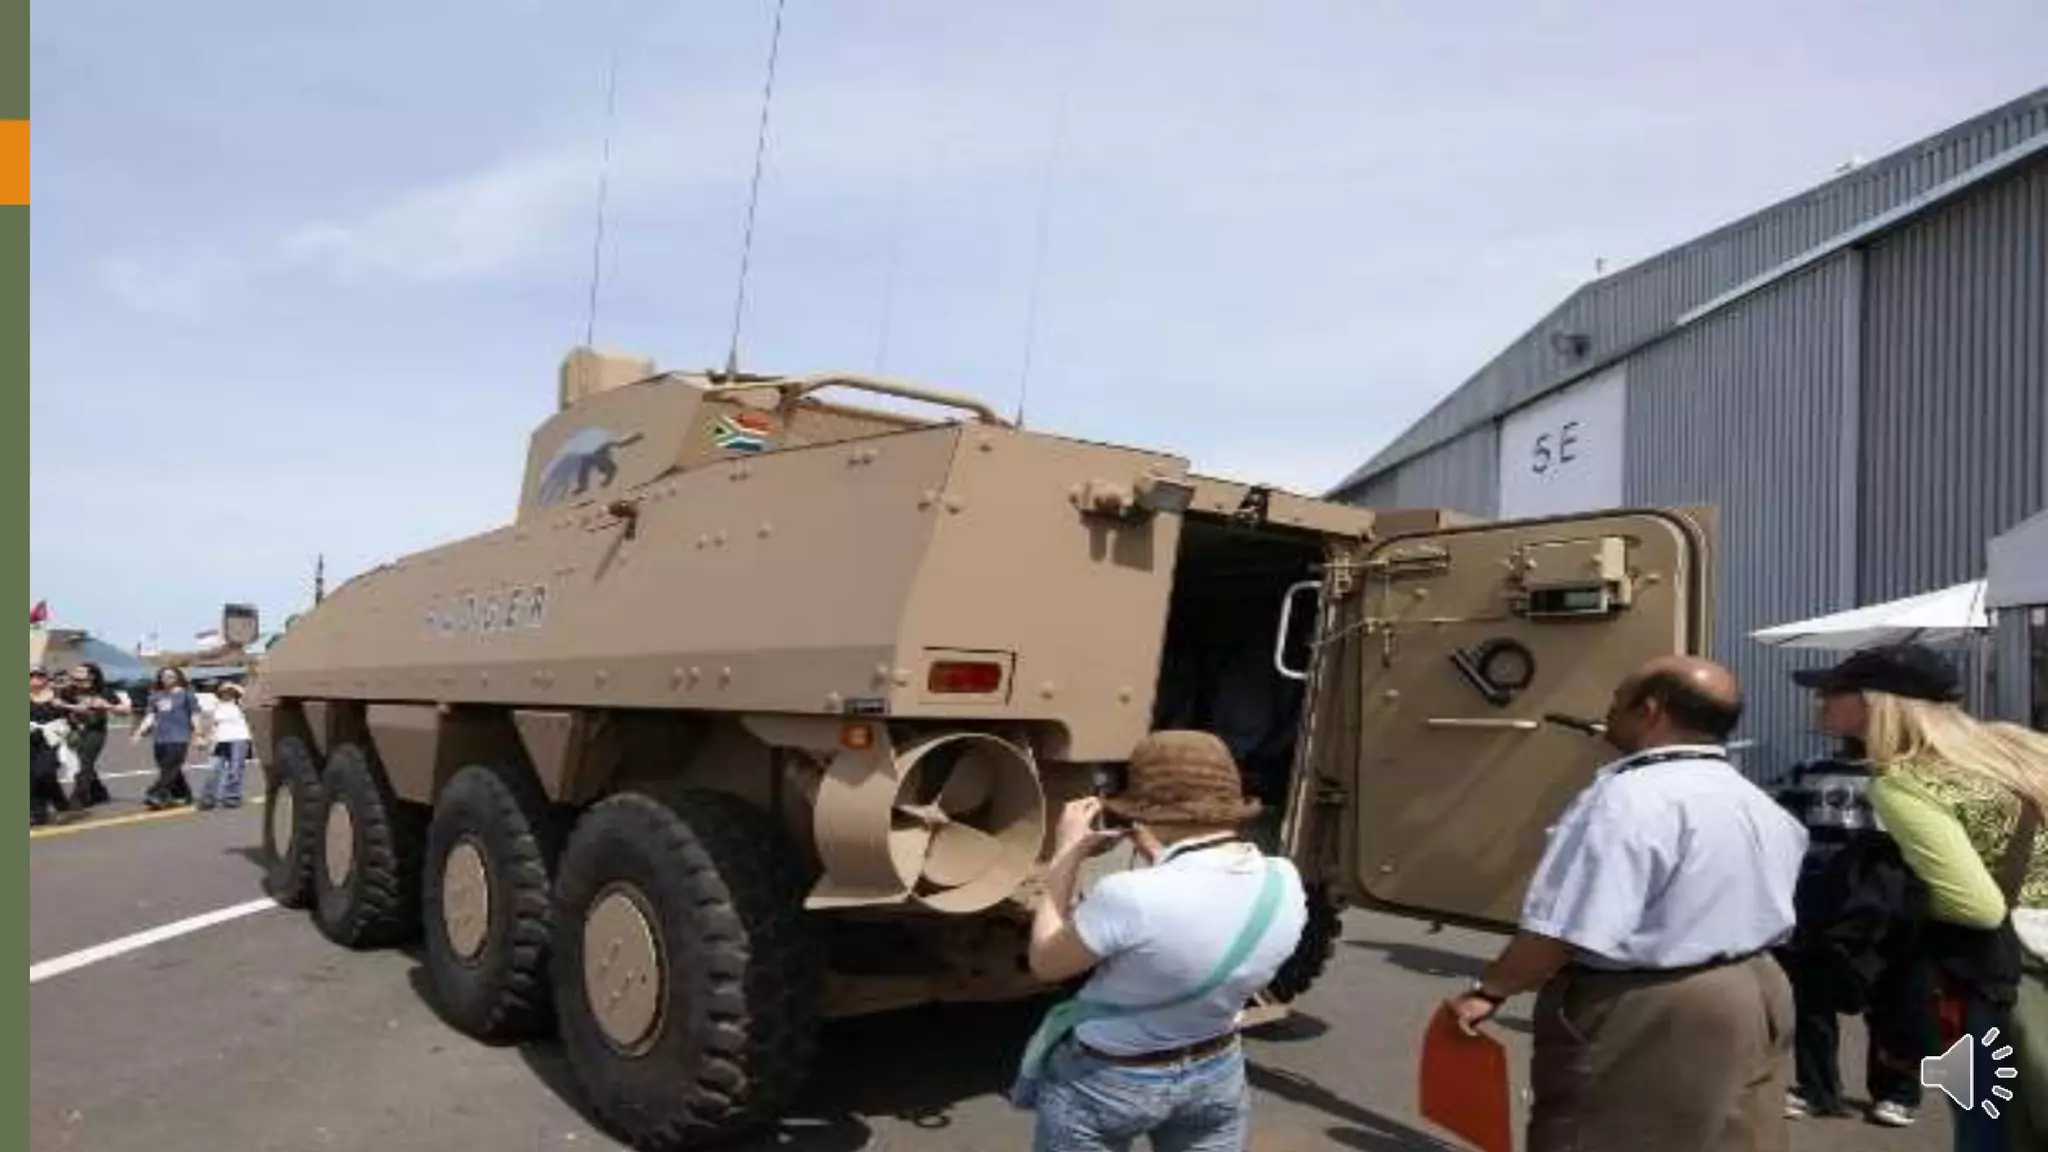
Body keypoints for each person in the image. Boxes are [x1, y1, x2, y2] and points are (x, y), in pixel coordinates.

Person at [1443, 655, 1809, 1152]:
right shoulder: (1755, 801)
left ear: (1650, 710)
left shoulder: (1626, 799)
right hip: (1757, 989)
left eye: (1618, 700)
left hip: (1656, 1007)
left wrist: (1488, 991)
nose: (1609, 711)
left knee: (1603, 1134)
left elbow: (1561, 931)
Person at [1794, 642, 2048, 1152]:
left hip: (1993, 979)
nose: (1820, 700)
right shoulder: (2016, 749)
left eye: (1834, 690)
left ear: (1873, 702)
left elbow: (1977, 907)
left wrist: (1891, 905)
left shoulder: (1904, 784)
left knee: (1986, 1127)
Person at [1011, 730, 1309, 1152]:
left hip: (1109, 1079)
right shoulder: (1283, 877)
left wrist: (1065, 854)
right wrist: (1160, 850)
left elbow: (1046, 962)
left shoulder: (1128, 894)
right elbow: (1202, 909)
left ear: (1143, 814)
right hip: (1217, 1069)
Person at [1774, 737, 1935, 1127]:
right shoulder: (1808, 771)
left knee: (1893, 999)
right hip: (1819, 901)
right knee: (1812, 1000)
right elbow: (1784, 830)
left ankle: (1897, 1091)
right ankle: (1816, 1089)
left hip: (1886, 905)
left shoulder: (1910, 775)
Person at [55, 660, 128, 809]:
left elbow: (125, 711)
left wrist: (107, 705)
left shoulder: (103, 691)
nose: (76, 673)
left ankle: (79, 798)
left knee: (84, 763)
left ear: (92, 676)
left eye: (80, 671)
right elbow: (61, 709)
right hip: (74, 732)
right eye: (76, 670)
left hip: (95, 732)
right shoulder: (68, 691)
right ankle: (99, 793)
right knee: (83, 763)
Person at [131, 666, 200, 809]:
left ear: (178, 678)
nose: (167, 679)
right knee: (168, 768)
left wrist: (198, 734)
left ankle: (155, 793)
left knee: (171, 766)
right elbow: (150, 716)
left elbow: (195, 714)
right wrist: (139, 732)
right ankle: (183, 794)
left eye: (171, 676)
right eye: (164, 676)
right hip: (160, 738)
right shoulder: (155, 696)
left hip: (180, 737)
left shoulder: (186, 694)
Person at [29, 668, 74, 827]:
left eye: (39, 676)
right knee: (30, 778)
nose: (35, 679)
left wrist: (64, 706)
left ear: (46, 678)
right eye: (31, 676)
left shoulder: (58, 696)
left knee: (44, 774)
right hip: (29, 741)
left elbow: (73, 715)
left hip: (51, 741)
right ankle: (38, 814)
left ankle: (62, 806)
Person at [196, 681, 252, 810]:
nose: (227, 692)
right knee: (213, 769)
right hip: (220, 740)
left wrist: (234, 686)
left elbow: (250, 697)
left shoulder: (241, 704)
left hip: (240, 738)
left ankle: (232, 797)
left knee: (235, 769)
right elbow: (208, 724)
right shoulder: (214, 705)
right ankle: (208, 798)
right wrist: (204, 739)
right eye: (224, 690)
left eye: (230, 690)